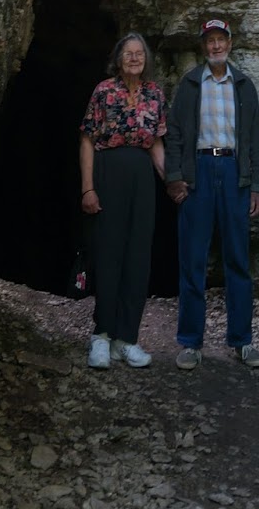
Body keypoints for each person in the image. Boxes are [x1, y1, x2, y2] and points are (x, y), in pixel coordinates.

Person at [165, 18, 259, 370]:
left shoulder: (244, 85)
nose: (215, 46)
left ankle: (242, 341)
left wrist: (256, 185)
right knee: (193, 258)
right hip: (199, 173)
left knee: (238, 259)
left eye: (220, 39)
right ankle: (191, 343)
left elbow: (254, 138)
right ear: (203, 46)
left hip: (233, 172)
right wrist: (175, 177)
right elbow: (175, 133)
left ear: (230, 43)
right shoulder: (191, 84)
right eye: (209, 40)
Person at [79, 32, 166, 369]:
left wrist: (171, 182)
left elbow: (156, 143)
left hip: (142, 180)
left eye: (139, 53)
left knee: (138, 256)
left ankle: (126, 339)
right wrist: (88, 188)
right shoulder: (104, 91)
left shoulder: (154, 93)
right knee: (109, 252)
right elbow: (86, 139)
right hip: (109, 173)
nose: (134, 58)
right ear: (118, 59)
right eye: (128, 53)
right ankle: (101, 336)